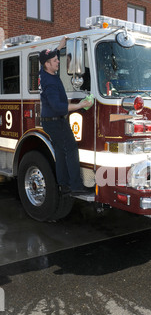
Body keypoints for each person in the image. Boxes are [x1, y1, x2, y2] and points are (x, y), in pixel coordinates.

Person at [39, 36, 93, 196]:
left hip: (52, 122)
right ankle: (76, 186)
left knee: (61, 152)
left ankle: (63, 185)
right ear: (47, 64)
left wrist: (60, 47)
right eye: (55, 60)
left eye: (57, 59)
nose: (58, 62)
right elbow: (57, 107)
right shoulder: (49, 83)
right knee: (71, 150)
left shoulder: (44, 71)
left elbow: (50, 55)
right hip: (56, 122)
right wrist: (80, 105)